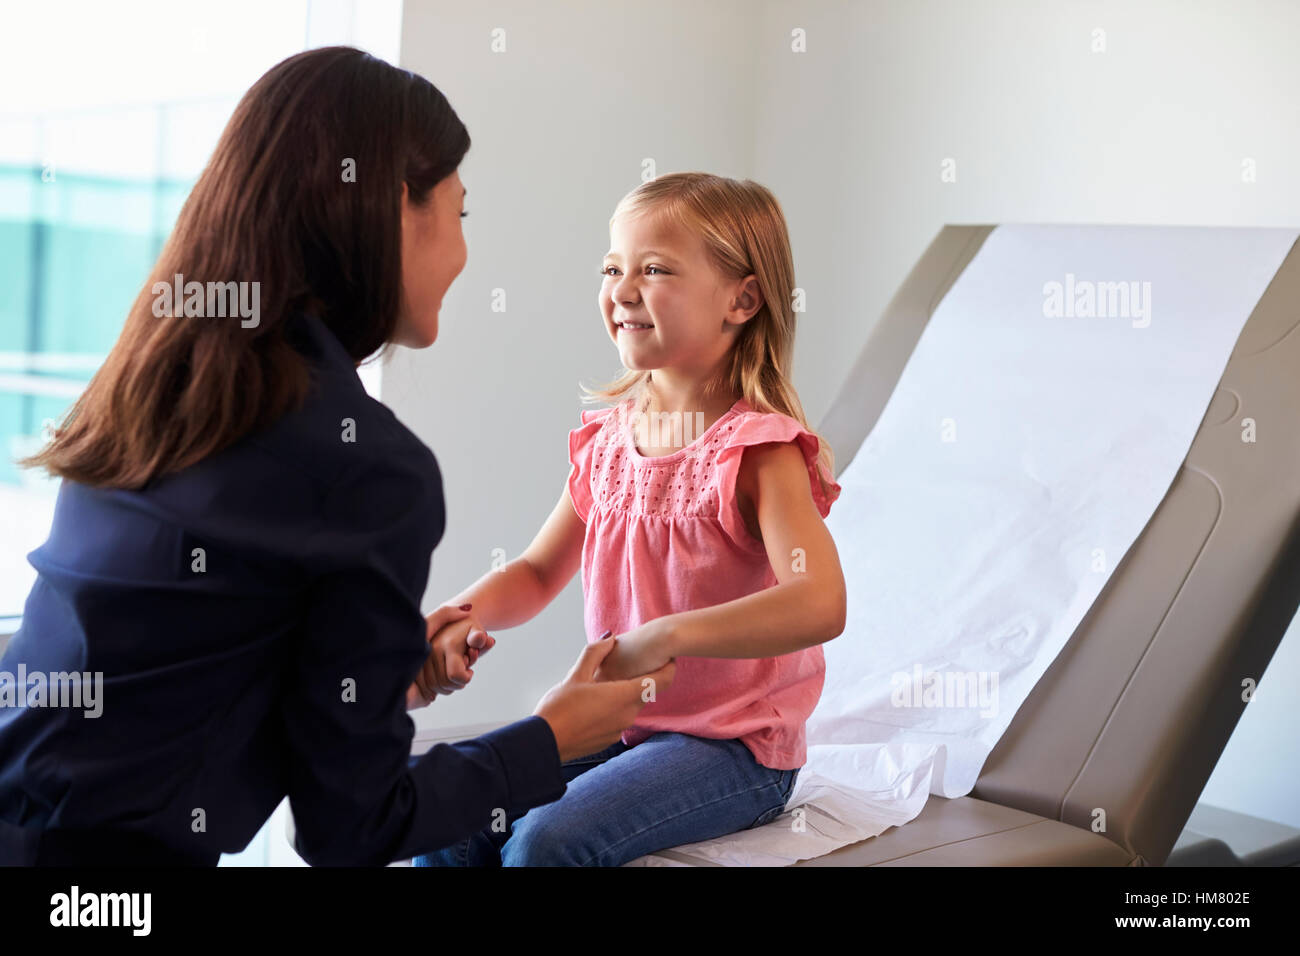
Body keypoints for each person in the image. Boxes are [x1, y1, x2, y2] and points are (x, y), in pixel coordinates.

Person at [0, 46, 671, 868]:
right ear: (397, 206)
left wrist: (381, 677)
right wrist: (550, 738)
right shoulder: (369, 470)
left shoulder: (152, 393)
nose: (463, 255)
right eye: (459, 215)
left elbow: (182, 663)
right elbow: (351, 829)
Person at [409, 172, 847, 867]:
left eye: (654, 269)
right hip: (623, 722)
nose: (622, 288)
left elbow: (819, 601)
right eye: (613, 268)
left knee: (545, 844)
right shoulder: (609, 442)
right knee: (452, 822)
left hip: (734, 750)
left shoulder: (758, 450)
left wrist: (666, 636)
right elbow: (535, 572)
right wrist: (462, 612)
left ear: (743, 299)